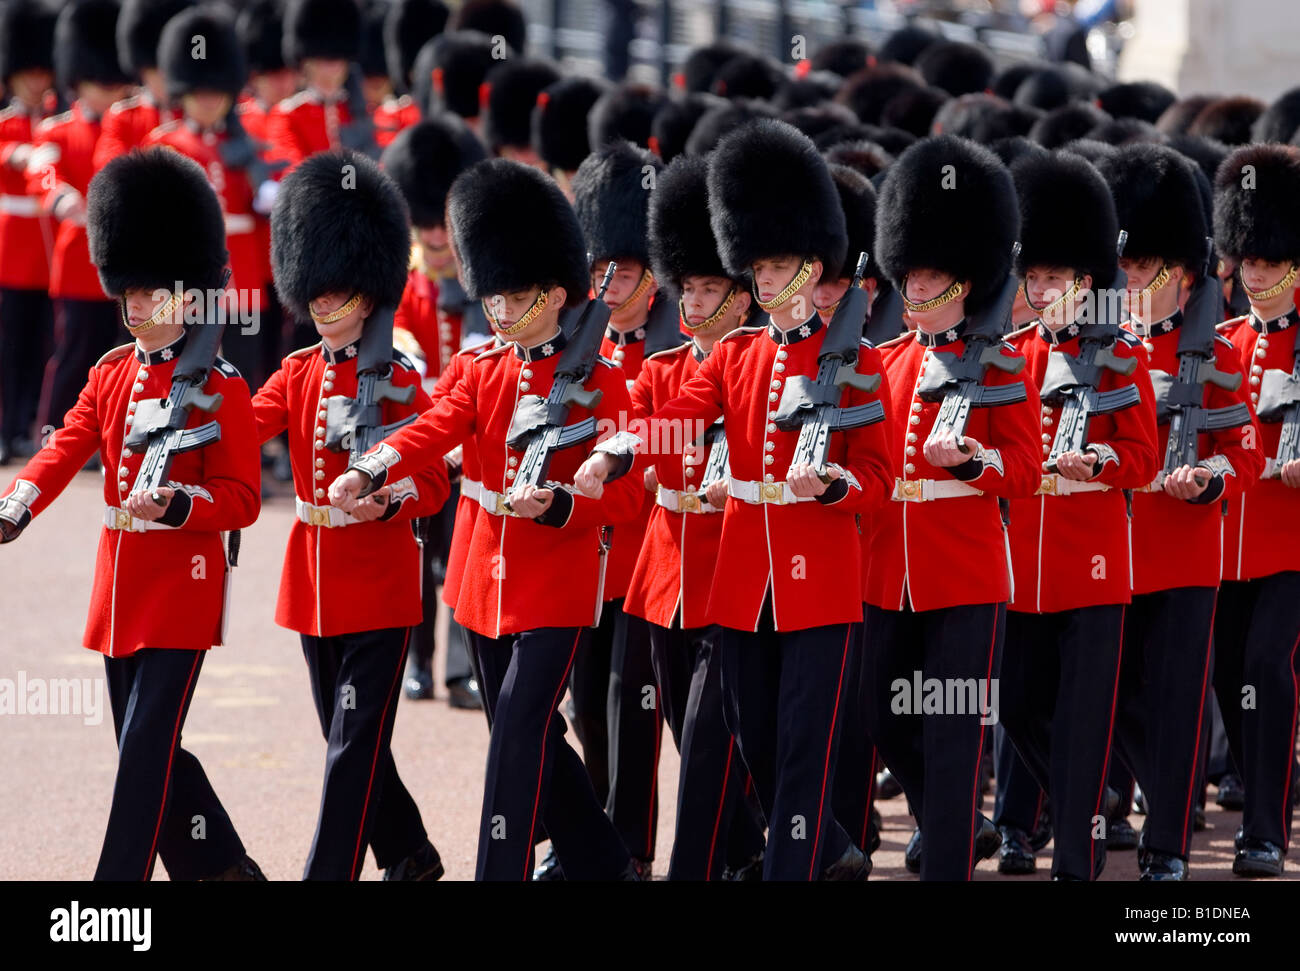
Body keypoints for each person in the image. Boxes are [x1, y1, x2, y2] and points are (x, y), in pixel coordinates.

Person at [577, 119, 893, 881]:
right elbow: (680, 413)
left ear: (812, 268)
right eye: (759, 267)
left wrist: (837, 485)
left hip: (819, 583)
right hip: (744, 583)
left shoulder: (858, 362)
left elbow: (878, 480)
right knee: (743, 731)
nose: (765, 281)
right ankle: (818, 849)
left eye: (780, 266)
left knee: (797, 749)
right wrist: (619, 448)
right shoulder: (741, 355)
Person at [329, 157, 644, 881]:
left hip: (558, 578)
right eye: (494, 298)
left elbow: (630, 498)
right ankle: (603, 860)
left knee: (516, 737)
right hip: (481, 575)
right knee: (520, 728)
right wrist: (371, 465)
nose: (499, 313)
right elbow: (432, 430)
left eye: (516, 299)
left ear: (557, 294)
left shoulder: (605, 382)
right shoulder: (480, 368)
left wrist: (565, 501)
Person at [0, 147, 264, 881]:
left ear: (187, 294)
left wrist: (181, 504)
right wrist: (16, 503)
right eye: (130, 293)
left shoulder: (223, 385)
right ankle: (224, 869)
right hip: (121, 589)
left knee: (147, 747)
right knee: (147, 749)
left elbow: (242, 498)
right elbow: (66, 444)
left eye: (151, 293)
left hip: (183, 583)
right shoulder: (112, 373)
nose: (136, 306)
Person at [253, 150, 449, 880]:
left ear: (367, 297)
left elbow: (433, 476)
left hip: (381, 579)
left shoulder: (399, 378)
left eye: (339, 293)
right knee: (351, 735)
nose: (325, 304)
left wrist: (389, 493)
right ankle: (408, 852)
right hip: (313, 577)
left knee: (352, 740)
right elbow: (246, 426)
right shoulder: (298, 370)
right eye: (318, 292)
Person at [865, 133, 1042, 881]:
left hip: (964, 572)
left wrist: (974, 462)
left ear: (964, 284)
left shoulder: (1001, 364)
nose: (914, 295)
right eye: (909, 279)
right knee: (875, 710)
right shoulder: (884, 361)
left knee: (951, 726)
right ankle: (955, 818)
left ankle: (947, 860)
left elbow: (1025, 468)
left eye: (930, 281)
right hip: (888, 569)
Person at [1098, 142, 1263, 880]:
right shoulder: (1094, 354)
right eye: (1125, 269)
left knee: (1173, 699)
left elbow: (1246, 451)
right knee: (1116, 692)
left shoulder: (1217, 356)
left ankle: (1165, 841)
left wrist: (1211, 477)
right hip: (1106, 547)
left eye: (1145, 271)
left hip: (1185, 546)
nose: (1131, 283)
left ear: (1184, 274)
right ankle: (1151, 793)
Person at [999, 150, 1158, 880]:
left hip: (1093, 563)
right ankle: (1070, 814)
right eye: (1033, 278)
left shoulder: (1121, 357)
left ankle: (1080, 856)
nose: (1039, 290)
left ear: (1084, 282)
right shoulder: (1010, 358)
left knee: (1085, 721)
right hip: (1025, 566)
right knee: (1021, 705)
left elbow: (1144, 459)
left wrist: (1099, 467)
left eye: (1053, 279)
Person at [623, 151, 766, 880]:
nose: (698, 300)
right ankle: (768, 845)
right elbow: (645, 451)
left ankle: (697, 865)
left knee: (713, 734)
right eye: (693, 287)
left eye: (714, 288)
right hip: (669, 560)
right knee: (687, 726)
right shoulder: (660, 370)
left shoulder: (759, 368)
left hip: (731, 561)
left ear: (741, 301)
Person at [1211, 142, 1300, 877]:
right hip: (1224, 540)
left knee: (1269, 666)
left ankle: (1264, 829)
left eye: (1270, 264)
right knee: (1226, 673)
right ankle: (1266, 779)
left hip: (1292, 542)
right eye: (1250, 264)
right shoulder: (1224, 345)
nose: (1258, 277)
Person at [382, 113, 487, 707]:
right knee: (420, 556)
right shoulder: (409, 281)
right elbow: (399, 334)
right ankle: (417, 664)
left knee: (467, 554)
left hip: (469, 442)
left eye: (443, 239)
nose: (437, 251)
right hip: (421, 438)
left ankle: (458, 670)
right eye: (428, 240)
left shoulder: (482, 282)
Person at [31, 0, 134, 435]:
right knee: (75, 349)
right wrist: (60, 196)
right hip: (77, 260)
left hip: (124, 259)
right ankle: (54, 428)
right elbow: (45, 171)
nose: (108, 93)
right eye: (99, 83)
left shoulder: (130, 124)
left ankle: (107, 433)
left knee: (120, 354)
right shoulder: (56, 128)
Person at [0, 0, 59, 465]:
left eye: (43, 73)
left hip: (51, 262)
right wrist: (18, 155)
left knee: (43, 349)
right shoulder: (8, 124)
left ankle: (27, 429)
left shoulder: (56, 120)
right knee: (9, 349)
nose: (38, 83)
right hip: (12, 258)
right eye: (28, 75)